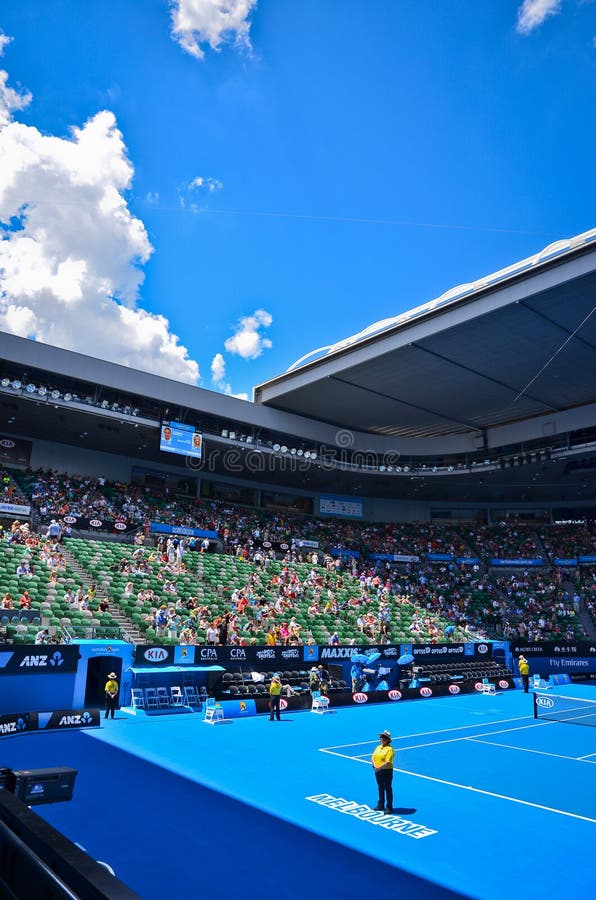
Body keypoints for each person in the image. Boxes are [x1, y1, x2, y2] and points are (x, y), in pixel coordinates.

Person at [372, 729, 395, 814]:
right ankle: (381, 805)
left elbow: (388, 761)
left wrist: (378, 768)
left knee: (388, 788)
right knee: (380, 787)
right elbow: (373, 756)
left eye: (384, 737)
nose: (382, 738)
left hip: (386, 771)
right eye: (381, 737)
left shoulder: (390, 749)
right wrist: (375, 765)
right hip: (377, 770)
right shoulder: (378, 747)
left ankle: (389, 807)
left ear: (388, 739)